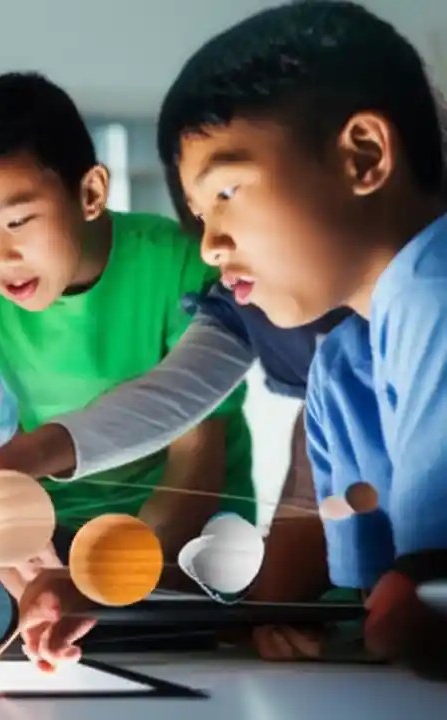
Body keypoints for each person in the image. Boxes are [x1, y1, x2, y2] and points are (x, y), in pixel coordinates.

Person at [160, 0, 447, 677]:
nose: (209, 245)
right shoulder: (341, 367)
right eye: (199, 214)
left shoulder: (434, 291)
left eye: (227, 190)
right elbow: (364, 597)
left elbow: (426, 603)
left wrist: (406, 601)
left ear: (364, 155)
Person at [0, 72, 255, 564]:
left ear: (91, 192)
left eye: (17, 222)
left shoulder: (181, 263)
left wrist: (112, 578)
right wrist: (31, 563)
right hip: (51, 531)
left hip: (191, 540)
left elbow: (195, 456)